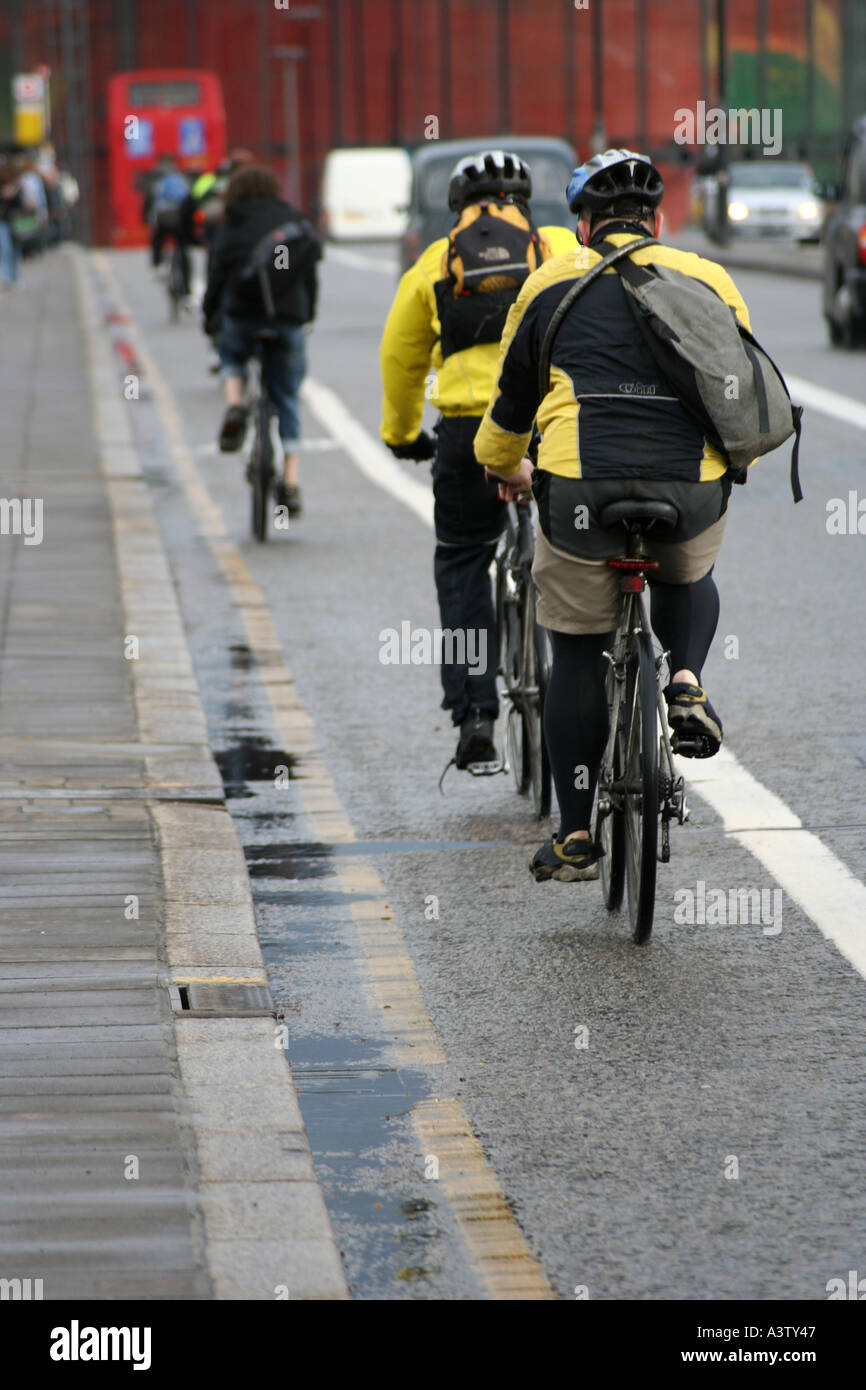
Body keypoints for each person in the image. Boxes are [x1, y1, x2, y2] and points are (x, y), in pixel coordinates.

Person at [473, 148, 754, 882]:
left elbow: (509, 407)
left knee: (574, 648)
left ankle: (573, 834)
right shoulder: (708, 278)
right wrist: (736, 467)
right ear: (656, 220)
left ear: (583, 224)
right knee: (689, 568)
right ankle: (687, 680)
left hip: (578, 488)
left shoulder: (550, 282)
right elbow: (738, 390)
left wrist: (506, 466)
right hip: (686, 485)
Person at [379, 150, 576, 772]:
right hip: (551, 423)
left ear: (457, 208)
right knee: (580, 551)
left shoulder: (434, 264)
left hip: (468, 432)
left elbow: (401, 359)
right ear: (525, 199)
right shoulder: (559, 248)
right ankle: (594, 696)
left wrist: (404, 434)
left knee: (464, 559)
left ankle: (476, 714)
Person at [201, 164, 319, 516]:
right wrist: (305, 313)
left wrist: (211, 318)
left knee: (232, 354)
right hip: (287, 318)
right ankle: (292, 482)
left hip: (243, 315)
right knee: (286, 396)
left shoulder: (230, 223)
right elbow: (309, 277)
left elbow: (216, 276)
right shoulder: (293, 221)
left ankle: (235, 403)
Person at [146, 156, 192, 292]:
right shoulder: (182, 180)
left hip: (163, 218)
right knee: (183, 250)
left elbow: (149, 202)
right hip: (180, 220)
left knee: (157, 237)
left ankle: (158, 264)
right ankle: (187, 291)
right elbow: (190, 200)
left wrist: (146, 220)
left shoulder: (158, 181)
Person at [0, 160, 24, 287]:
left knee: (15, 248)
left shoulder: (17, 185)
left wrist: (15, 194)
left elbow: (22, 203)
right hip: (2, 220)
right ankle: (6, 277)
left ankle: (15, 276)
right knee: (5, 248)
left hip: (15, 220)